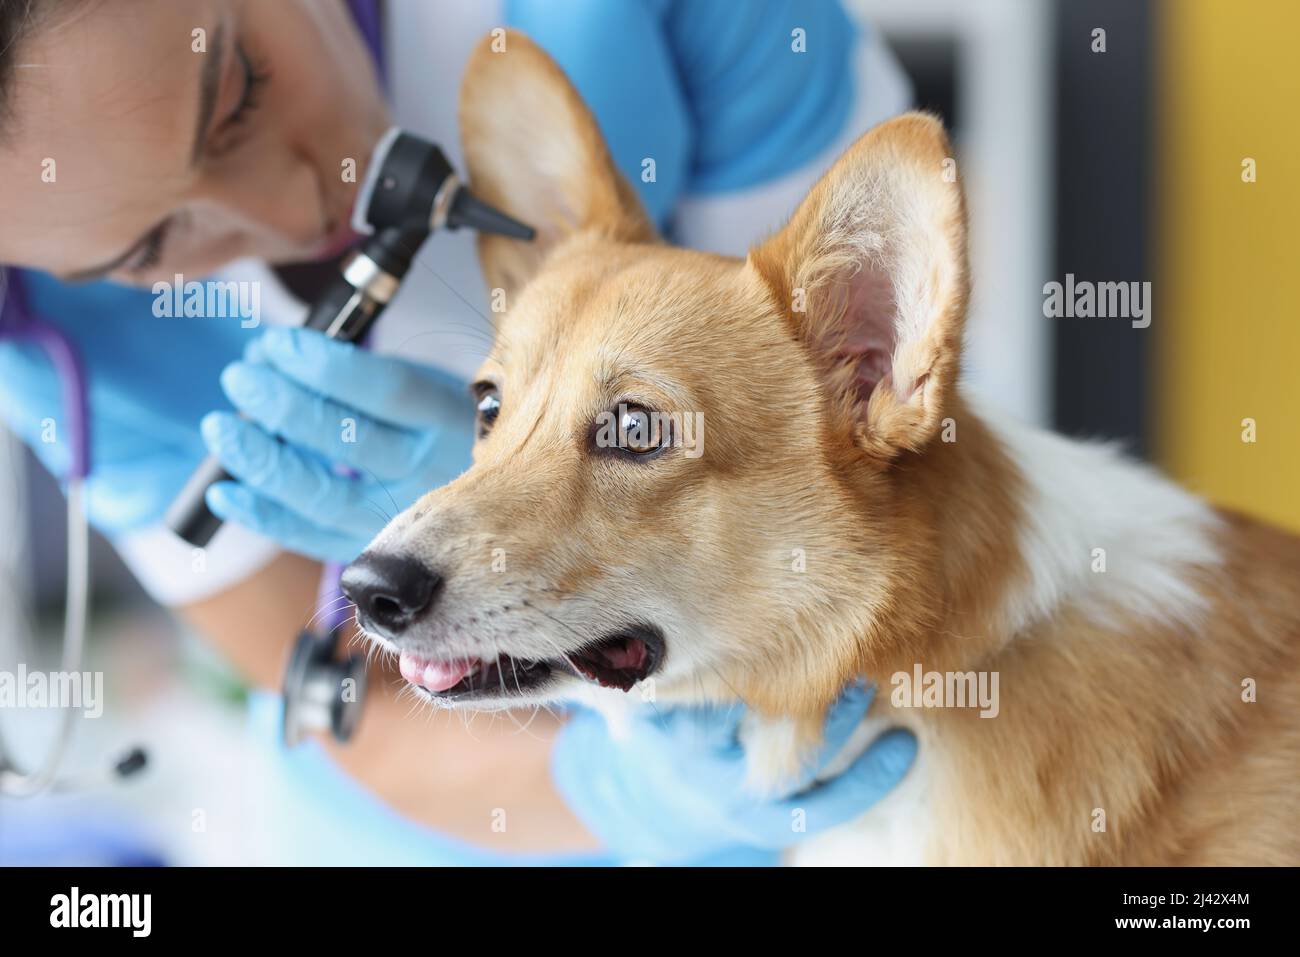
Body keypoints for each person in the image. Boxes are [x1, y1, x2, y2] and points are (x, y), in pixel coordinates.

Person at [0, 0, 917, 865]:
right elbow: (337, 696)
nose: (294, 211)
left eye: (240, 92)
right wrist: (625, 789)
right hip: (405, 826)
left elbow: (864, 445)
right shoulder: (59, 336)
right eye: (149, 246)